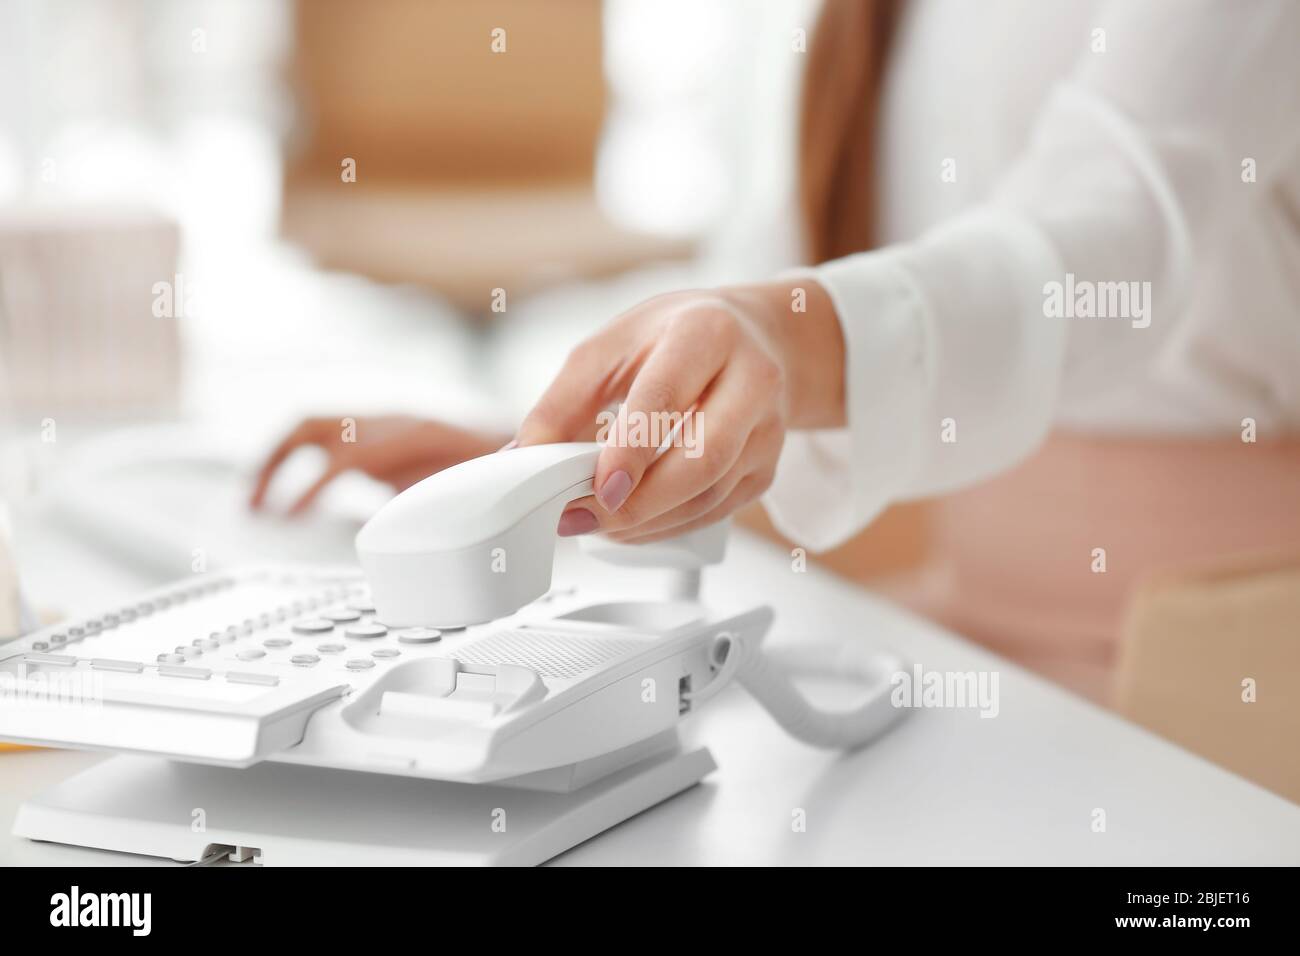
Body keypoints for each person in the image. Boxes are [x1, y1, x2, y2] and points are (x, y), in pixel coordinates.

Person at [252, 0, 1300, 698]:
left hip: (1222, 677)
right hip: (970, 624)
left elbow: (1108, 229)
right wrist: (562, 457)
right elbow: (804, 268)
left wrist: (783, 340)